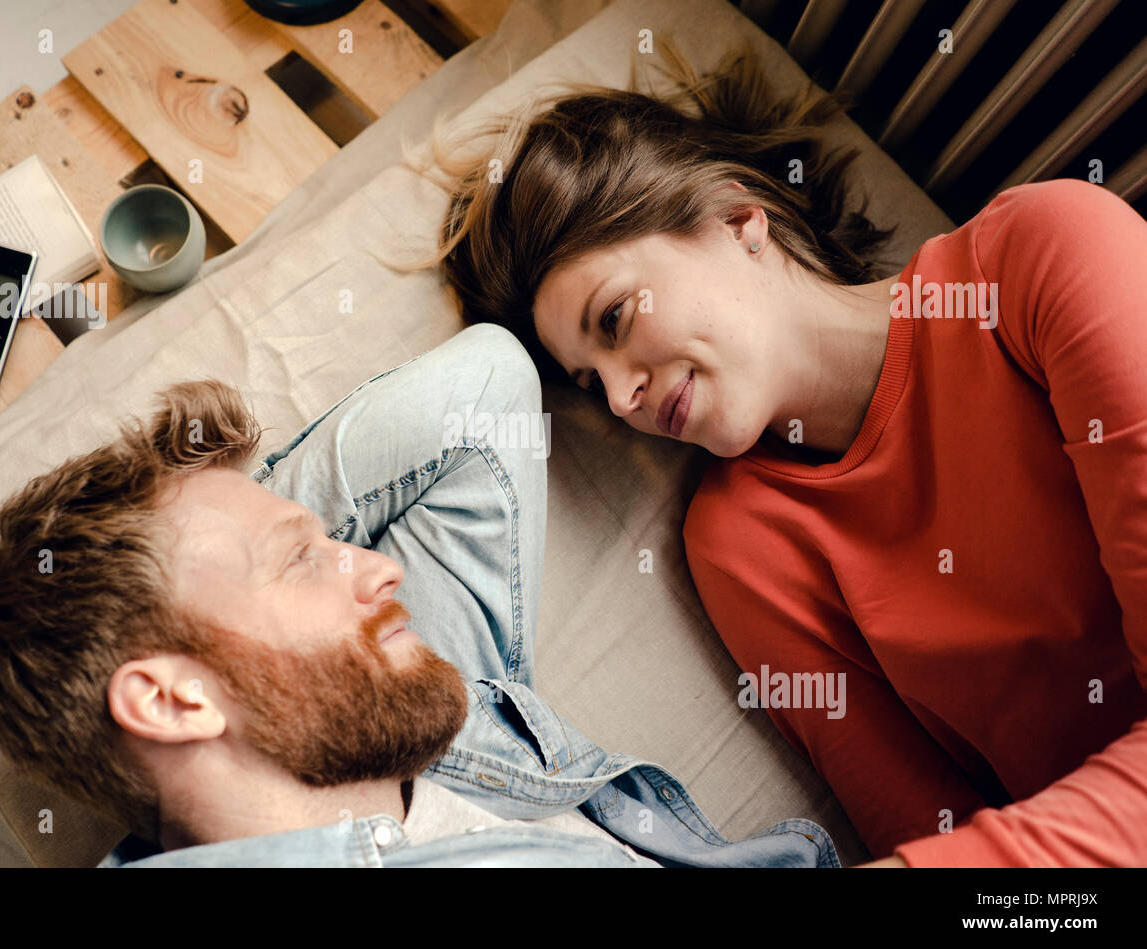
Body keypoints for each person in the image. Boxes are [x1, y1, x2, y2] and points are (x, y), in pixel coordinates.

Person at [426, 45, 1147, 866]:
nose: (622, 399)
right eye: (592, 382)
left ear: (738, 221)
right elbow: (925, 827)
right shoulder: (741, 544)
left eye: (616, 318)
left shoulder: (1039, 255)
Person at [0, 322, 838, 867]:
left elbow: (483, 387)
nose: (381, 568)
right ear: (171, 699)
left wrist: (217, 529)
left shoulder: (393, 719)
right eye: (304, 561)